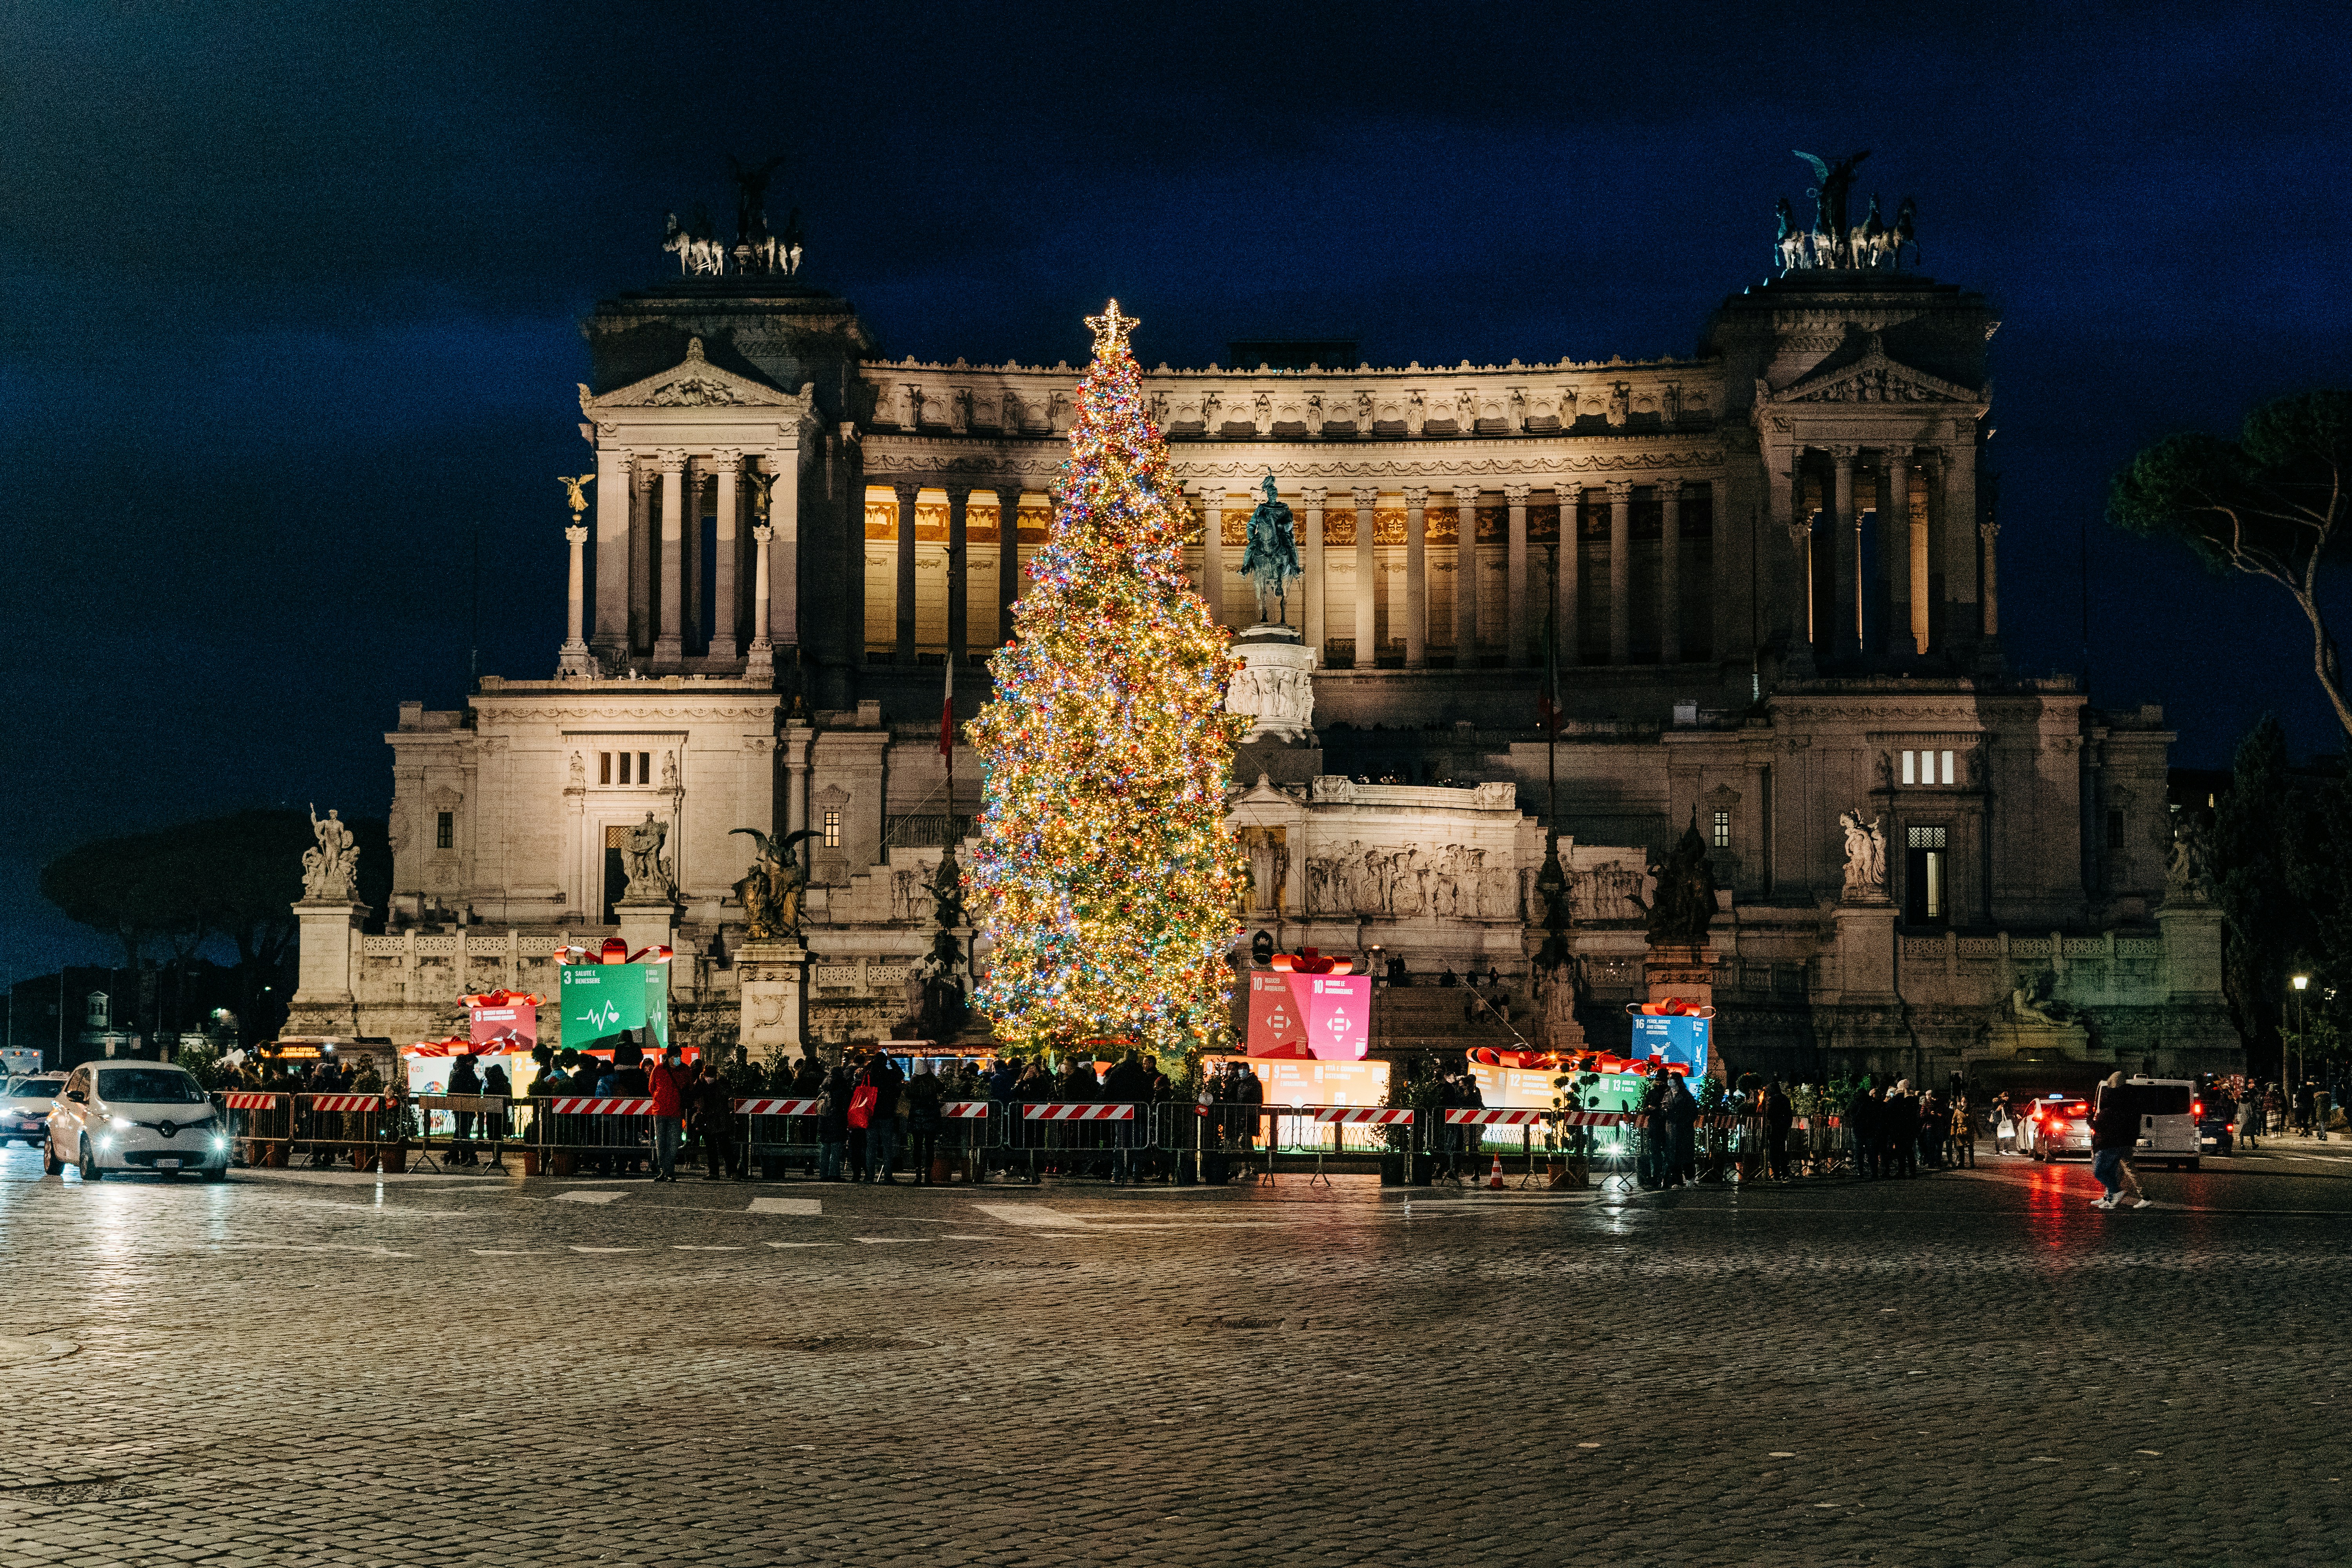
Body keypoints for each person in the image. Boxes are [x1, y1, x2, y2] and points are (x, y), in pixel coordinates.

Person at [2090, 1070, 2152, 1210]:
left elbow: (2119, 1120)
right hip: (2125, 1139)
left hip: (2120, 1140)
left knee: (2125, 1168)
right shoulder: (2131, 1097)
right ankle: (2110, 1195)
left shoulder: (2120, 1098)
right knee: (2116, 1169)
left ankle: (2145, 1197)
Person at [1104, 1049, 1151, 1185]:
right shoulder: (1141, 1074)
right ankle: (1137, 1173)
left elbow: (1108, 1090)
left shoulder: (1118, 1072)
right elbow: (1148, 1091)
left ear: (1125, 1057)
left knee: (1120, 1142)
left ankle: (1117, 1173)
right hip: (1138, 1111)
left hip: (1121, 1111)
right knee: (1138, 1142)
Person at [648, 1044, 693, 1182]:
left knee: (673, 1144)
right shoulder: (659, 1069)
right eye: (676, 1056)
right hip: (660, 1111)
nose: (678, 1059)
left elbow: (690, 1088)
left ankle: (669, 1171)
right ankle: (665, 1171)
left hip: (676, 1112)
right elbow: (651, 1087)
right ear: (669, 1057)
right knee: (661, 1143)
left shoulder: (685, 1070)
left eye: (680, 1056)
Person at [692, 1062, 742, 1181]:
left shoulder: (719, 1083)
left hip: (718, 1118)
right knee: (715, 1147)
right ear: (704, 1075)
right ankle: (721, 1172)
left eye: (712, 1076)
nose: (710, 1079)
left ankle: (726, 1172)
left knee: (723, 1147)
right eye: (708, 1076)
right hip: (711, 1119)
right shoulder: (701, 1084)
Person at [862, 1052, 904, 1183]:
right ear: (885, 1062)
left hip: (871, 1113)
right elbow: (901, 1075)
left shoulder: (869, 1074)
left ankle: (869, 1176)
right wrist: (893, 1063)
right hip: (886, 1113)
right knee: (887, 1146)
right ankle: (888, 1176)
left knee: (871, 1146)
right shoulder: (888, 1074)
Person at [903, 1063, 944, 1185]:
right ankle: (928, 1176)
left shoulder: (913, 1082)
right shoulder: (932, 1081)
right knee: (930, 1147)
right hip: (931, 1117)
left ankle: (918, 1176)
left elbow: (907, 1094)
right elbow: (942, 1088)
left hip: (916, 1119)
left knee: (917, 1147)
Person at [448, 1050, 483, 1166]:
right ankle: (470, 1156)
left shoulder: (455, 1073)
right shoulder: (468, 1073)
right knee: (464, 1133)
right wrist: (479, 1084)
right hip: (468, 1107)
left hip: (458, 1107)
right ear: (468, 1062)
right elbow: (474, 1090)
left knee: (460, 1132)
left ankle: (454, 1156)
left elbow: (451, 1091)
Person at [817, 1066, 851, 1181]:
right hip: (838, 1121)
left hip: (824, 1120)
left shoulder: (824, 1086)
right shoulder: (843, 1086)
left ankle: (824, 1174)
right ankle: (834, 1174)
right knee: (836, 1149)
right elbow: (846, 1105)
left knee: (825, 1148)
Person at [1665, 1074, 1699, 1186]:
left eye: (1672, 1079)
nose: (1670, 1081)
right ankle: (1677, 1181)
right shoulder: (1667, 1095)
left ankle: (1690, 1179)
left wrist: (1685, 1122)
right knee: (1673, 1157)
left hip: (1684, 1131)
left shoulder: (1686, 1095)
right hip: (1671, 1129)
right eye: (1669, 1079)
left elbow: (1693, 1112)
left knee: (1686, 1155)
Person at [1763, 1078, 1793, 1181]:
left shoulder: (1773, 1100)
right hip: (1783, 1128)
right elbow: (1790, 1115)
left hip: (1775, 1128)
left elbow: (1770, 1115)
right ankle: (1785, 1173)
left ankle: (1776, 1174)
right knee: (1782, 1151)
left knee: (1773, 1152)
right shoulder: (1785, 1099)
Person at [1949, 1092, 1976, 1169]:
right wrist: (1953, 1132)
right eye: (1962, 1101)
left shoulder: (1972, 1110)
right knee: (1961, 1148)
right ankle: (1962, 1163)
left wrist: (1979, 1132)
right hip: (1960, 1131)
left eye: (1966, 1101)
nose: (1964, 1103)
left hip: (1969, 1131)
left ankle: (1972, 1163)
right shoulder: (1957, 1111)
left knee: (1971, 1148)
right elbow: (1954, 1123)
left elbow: (1976, 1122)